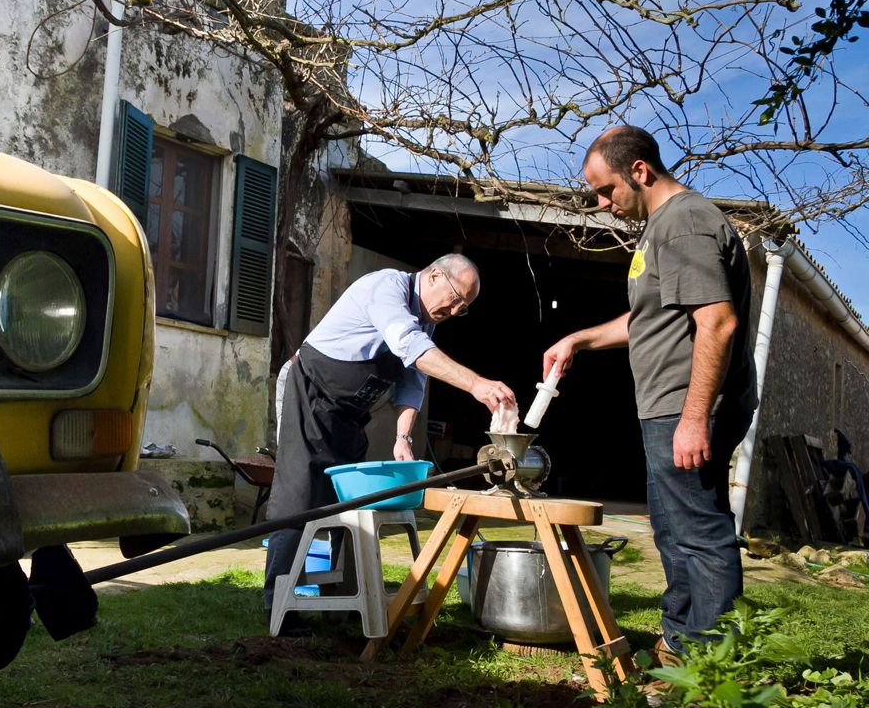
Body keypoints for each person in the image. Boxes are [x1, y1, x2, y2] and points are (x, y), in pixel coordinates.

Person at [542, 125, 757, 660]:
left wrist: (694, 417)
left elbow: (718, 323)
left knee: (700, 534)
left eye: (606, 189)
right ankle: (679, 643)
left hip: (687, 407)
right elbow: (649, 318)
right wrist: (579, 339)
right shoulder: (662, 226)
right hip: (668, 408)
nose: (601, 203)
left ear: (639, 170)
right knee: (671, 529)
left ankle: (706, 670)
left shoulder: (684, 224)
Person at [265, 253, 515, 633]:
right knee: (299, 495)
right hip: (309, 390)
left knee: (349, 503)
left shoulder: (427, 320)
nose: (453, 310)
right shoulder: (386, 288)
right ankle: (279, 607)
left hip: (349, 413)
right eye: (455, 298)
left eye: (462, 307)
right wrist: (476, 384)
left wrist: (402, 437)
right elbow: (410, 347)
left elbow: (412, 383)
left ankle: (343, 602)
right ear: (434, 275)